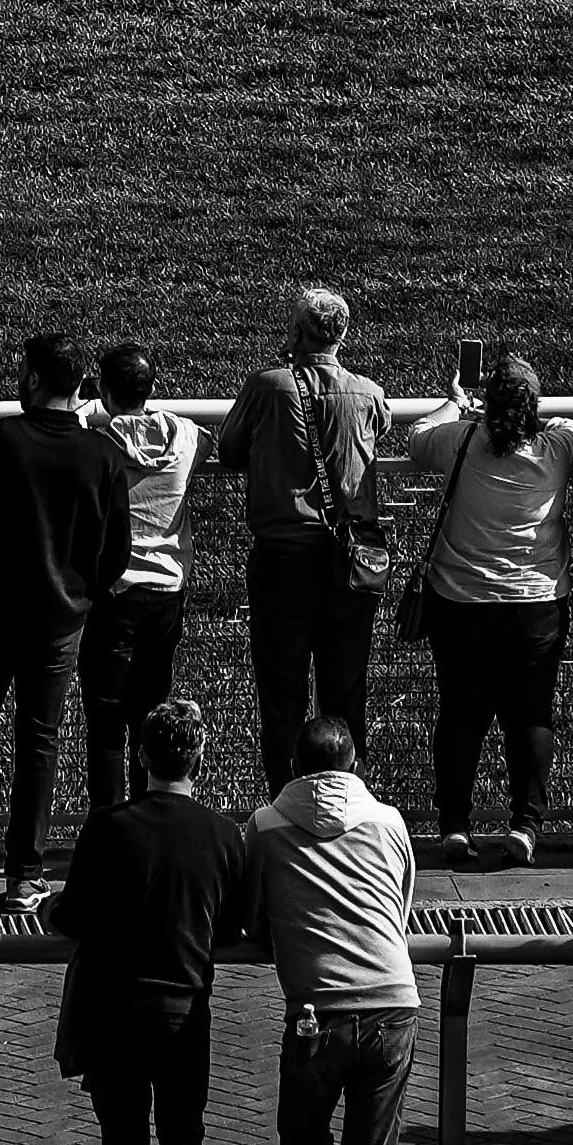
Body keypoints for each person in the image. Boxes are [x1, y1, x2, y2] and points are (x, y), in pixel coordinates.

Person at [50, 691, 248, 1145]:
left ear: (141, 757)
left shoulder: (109, 827)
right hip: (186, 1011)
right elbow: (232, 927)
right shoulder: (224, 835)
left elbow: (71, 916)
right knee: (183, 1142)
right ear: (201, 758)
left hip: (116, 1012)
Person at [0, 336, 133, 915]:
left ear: (34, 379)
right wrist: (82, 593)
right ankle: (25, 874)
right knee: (40, 742)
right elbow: (116, 551)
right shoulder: (102, 455)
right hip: (61, 622)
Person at [246, 711, 422, 1145]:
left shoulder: (265, 827)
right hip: (393, 1004)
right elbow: (400, 907)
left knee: (300, 1133)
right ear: (355, 764)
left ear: (294, 766)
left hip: (316, 1012)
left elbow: (253, 920)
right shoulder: (390, 821)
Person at [393, 345, 573, 865]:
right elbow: (571, 428)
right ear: (532, 405)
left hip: (460, 603)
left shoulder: (461, 440)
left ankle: (455, 825)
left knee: (460, 716)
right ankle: (525, 825)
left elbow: (417, 437)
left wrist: (456, 403)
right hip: (536, 605)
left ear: (488, 404)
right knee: (531, 716)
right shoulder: (559, 447)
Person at [218, 285, 399, 780]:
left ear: (296, 332)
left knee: (282, 695)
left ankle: (285, 802)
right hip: (351, 559)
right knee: (346, 692)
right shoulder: (367, 392)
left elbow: (230, 450)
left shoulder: (268, 387)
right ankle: (347, 799)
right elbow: (378, 427)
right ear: (343, 335)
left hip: (283, 557)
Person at [83, 342, 198, 821]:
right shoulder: (185, 435)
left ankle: (109, 826)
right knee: (150, 717)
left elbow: (75, 417)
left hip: (114, 596)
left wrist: (93, 404)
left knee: (106, 722)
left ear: (104, 388)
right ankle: (147, 821)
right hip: (167, 595)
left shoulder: (94, 439)